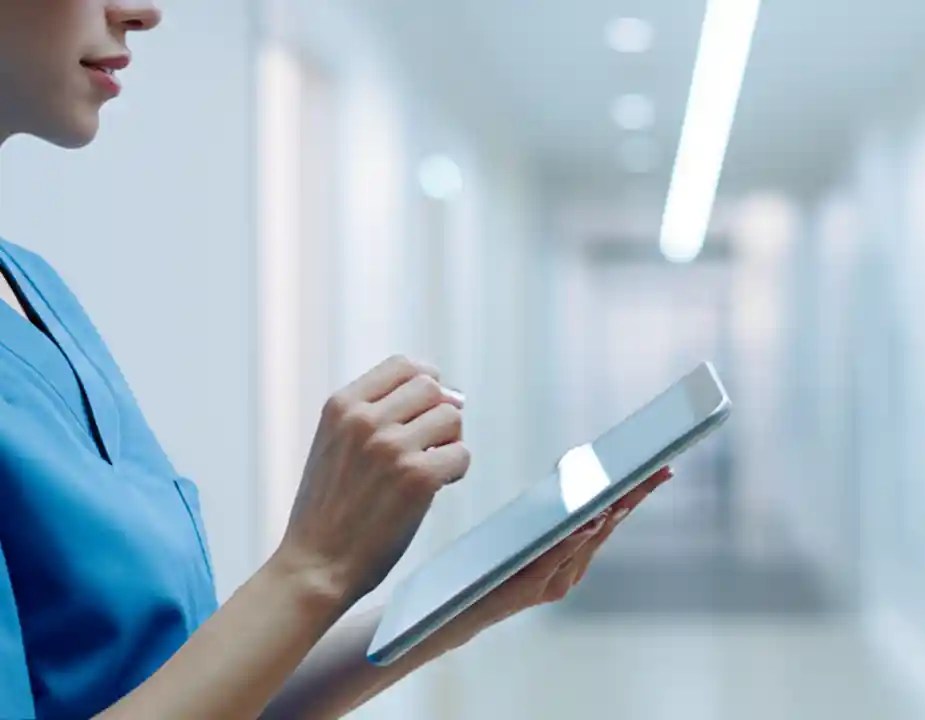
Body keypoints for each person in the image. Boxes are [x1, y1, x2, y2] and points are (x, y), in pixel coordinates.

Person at [0, 2, 675, 718]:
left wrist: (457, 602)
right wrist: (310, 569)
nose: (141, 10)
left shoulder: (33, 290)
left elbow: (199, 696)